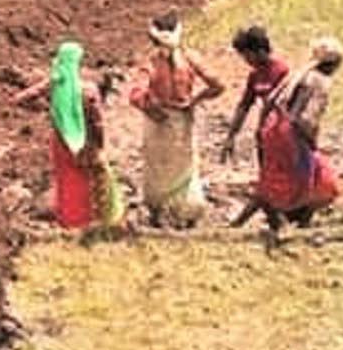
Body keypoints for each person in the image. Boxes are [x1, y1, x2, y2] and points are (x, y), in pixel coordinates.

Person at [229, 35, 343, 249]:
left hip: (275, 129)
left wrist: (265, 131)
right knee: (323, 183)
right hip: (291, 134)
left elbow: (272, 101)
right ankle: (287, 225)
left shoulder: (299, 75)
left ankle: (291, 223)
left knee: (275, 179)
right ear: (334, 65)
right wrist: (310, 143)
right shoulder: (321, 82)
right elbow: (307, 120)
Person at [13, 41, 127, 235]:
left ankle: (70, 222)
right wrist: (100, 146)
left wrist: (49, 108)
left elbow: (20, 100)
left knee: (67, 181)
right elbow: (98, 123)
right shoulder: (88, 90)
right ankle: (98, 220)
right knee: (93, 180)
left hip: (61, 142)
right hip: (86, 143)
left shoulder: (55, 85)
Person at [129, 13, 224, 227]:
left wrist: (154, 111)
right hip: (183, 120)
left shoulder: (151, 62)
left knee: (158, 170)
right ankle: (187, 213)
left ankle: (158, 214)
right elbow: (218, 84)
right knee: (185, 168)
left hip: (159, 124)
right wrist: (195, 100)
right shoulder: (190, 58)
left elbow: (135, 95)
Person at [220, 25, 290, 164]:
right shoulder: (255, 75)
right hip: (265, 133)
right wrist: (231, 136)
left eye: (247, 55)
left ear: (260, 50)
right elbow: (244, 106)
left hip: (283, 134)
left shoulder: (282, 71)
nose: (246, 60)